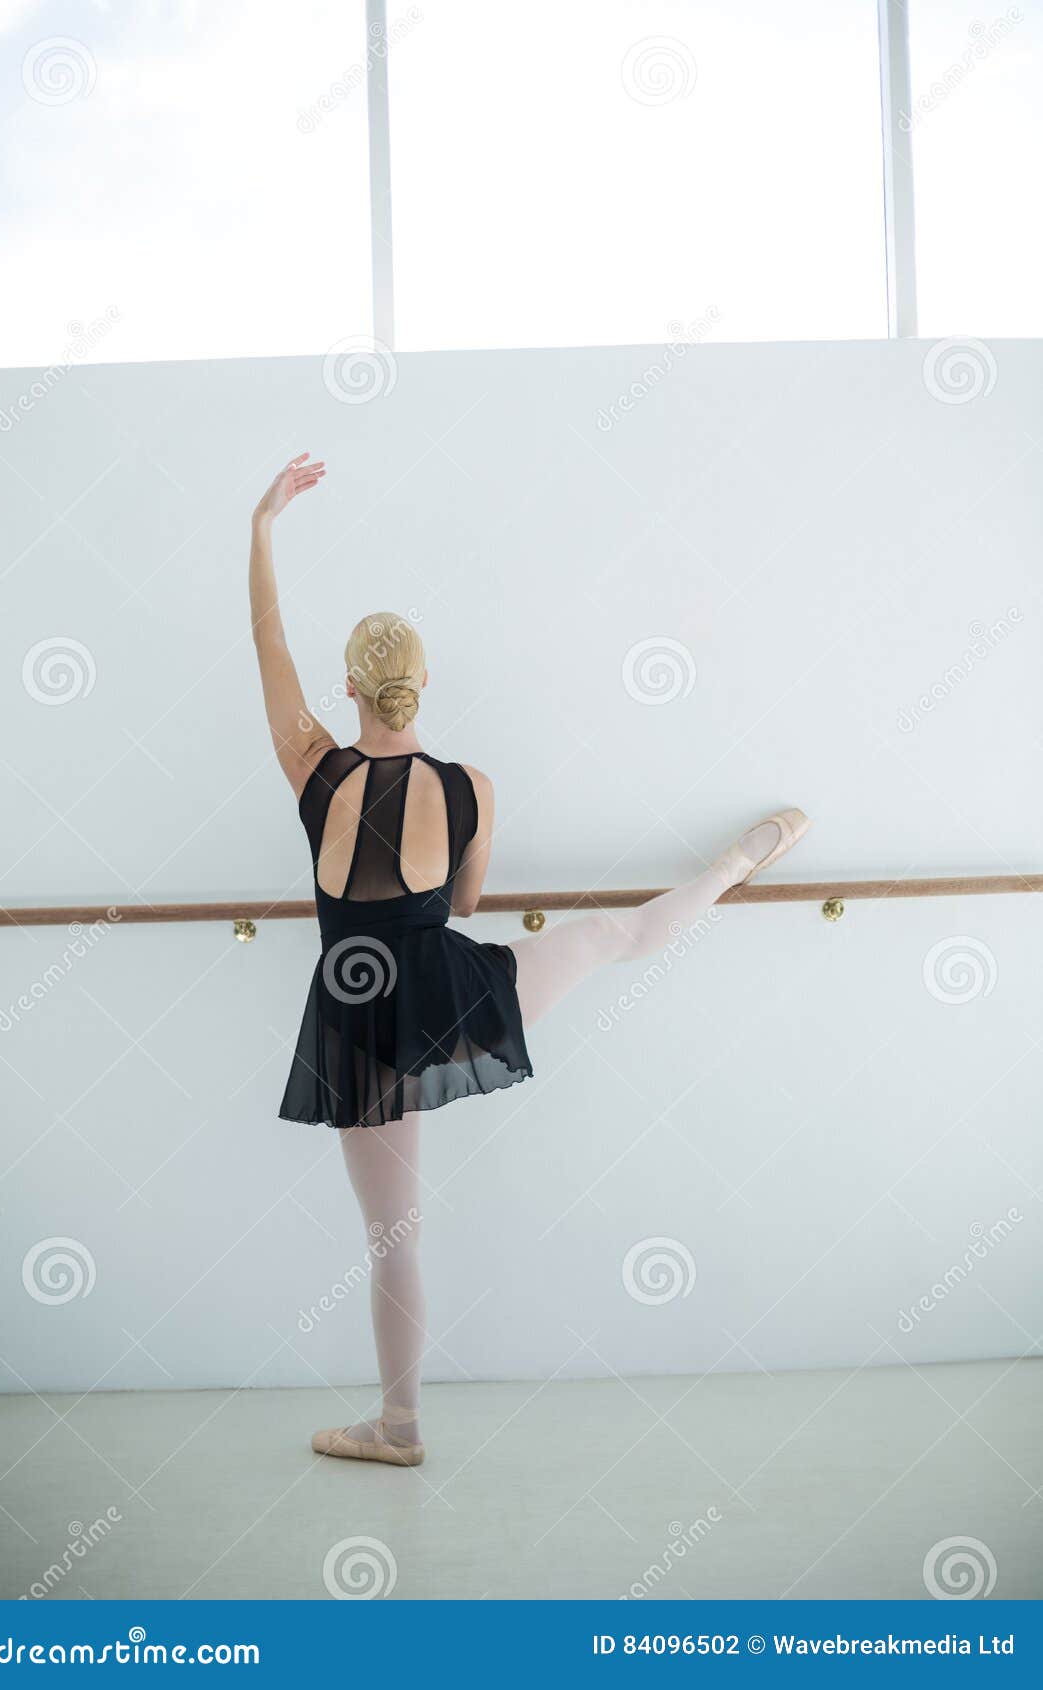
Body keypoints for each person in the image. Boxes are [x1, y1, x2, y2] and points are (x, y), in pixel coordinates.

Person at [250, 453, 810, 1467]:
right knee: (609, 937)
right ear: (422, 684)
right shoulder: (469, 785)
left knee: (393, 1236)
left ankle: (398, 1425)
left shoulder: (312, 766)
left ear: (347, 689)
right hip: (444, 982)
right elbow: (463, 904)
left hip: (353, 1009)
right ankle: (736, 862)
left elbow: (264, 640)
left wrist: (263, 522)